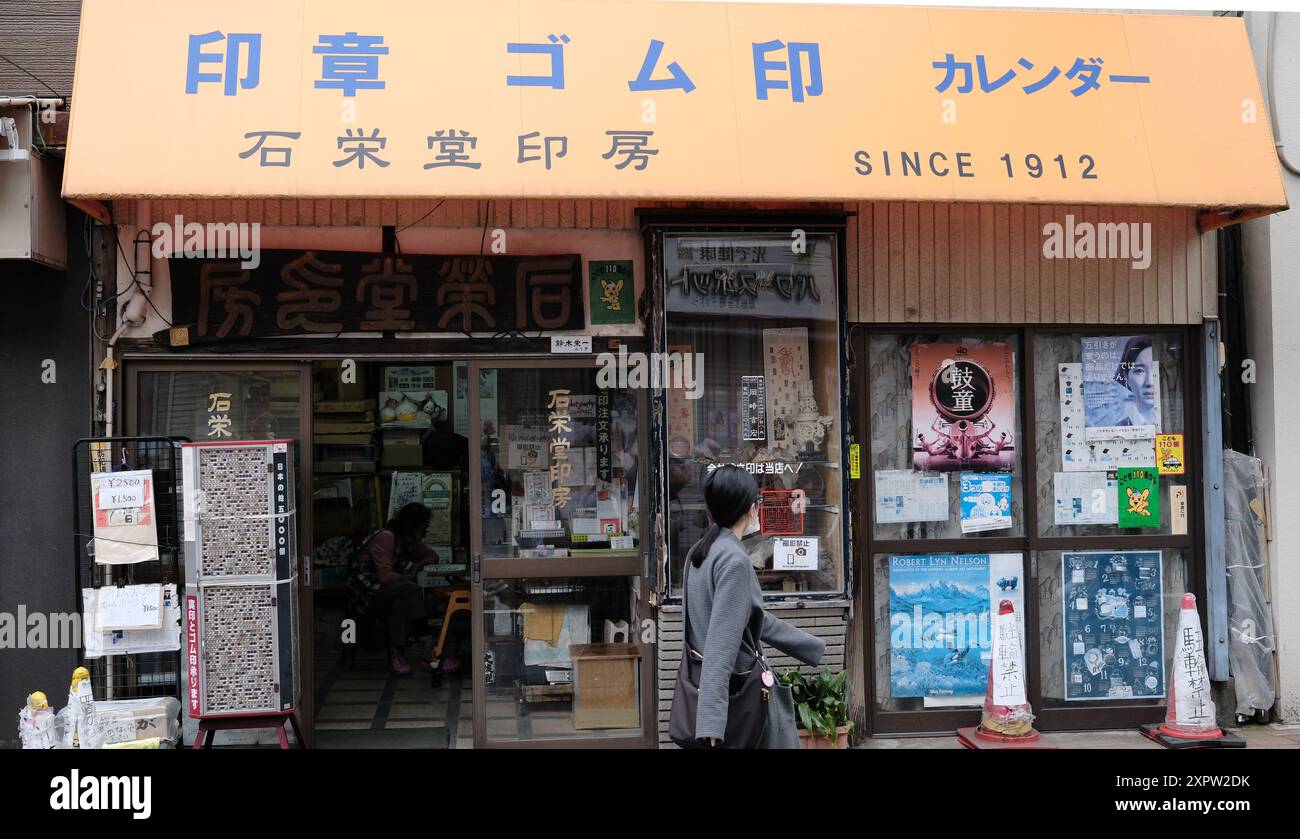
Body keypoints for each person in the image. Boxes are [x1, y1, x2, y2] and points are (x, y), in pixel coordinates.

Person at [682, 465, 825, 748]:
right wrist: (711, 720)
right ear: (750, 508)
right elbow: (721, 646)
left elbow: (750, 617)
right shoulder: (734, 561)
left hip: (713, 688)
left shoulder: (699, 552)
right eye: (757, 503)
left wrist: (808, 645)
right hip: (739, 693)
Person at [358, 503, 441, 675]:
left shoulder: (411, 541)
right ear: (413, 526)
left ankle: (398, 656)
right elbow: (384, 576)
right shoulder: (387, 537)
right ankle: (428, 648)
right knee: (412, 590)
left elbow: (432, 556)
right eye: (423, 527)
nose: (425, 531)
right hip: (367, 592)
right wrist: (409, 577)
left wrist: (420, 564)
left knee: (400, 603)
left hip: (389, 591)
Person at [1113, 336, 1158, 427]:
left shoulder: (1171, 423)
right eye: (1139, 371)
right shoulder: (1120, 427)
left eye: (1156, 369)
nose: (1149, 382)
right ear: (1126, 376)